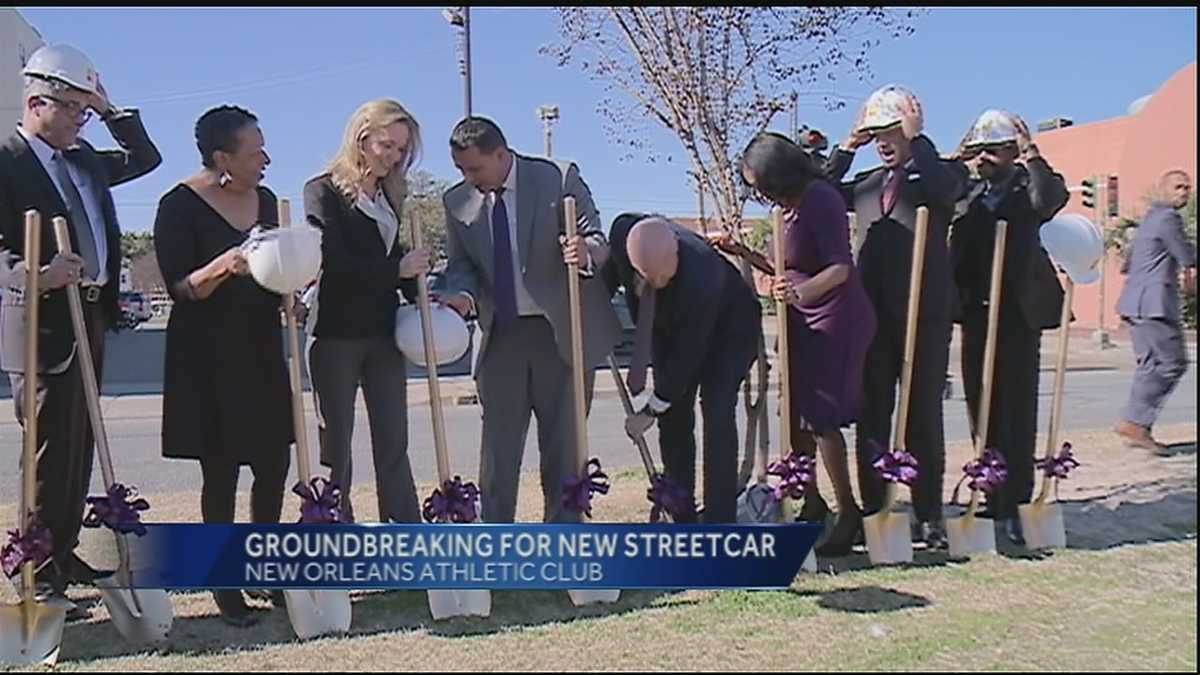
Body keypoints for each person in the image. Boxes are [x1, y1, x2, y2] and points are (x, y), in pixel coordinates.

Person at [0, 44, 161, 618]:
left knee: (80, 443)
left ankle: (63, 551)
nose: (79, 119)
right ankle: (36, 568)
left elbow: (145, 157)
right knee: (47, 450)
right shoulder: (5, 159)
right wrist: (35, 275)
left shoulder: (86, 158)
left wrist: (108, 105)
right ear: (36, 102)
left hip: (89, 313)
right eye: (71, 108)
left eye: (85, 110)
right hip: (39, 320)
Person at [438, 116, 621, 523]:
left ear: (501, 154)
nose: (469, 178)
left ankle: (563, 537)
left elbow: (597, 239)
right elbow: (461, 265)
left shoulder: (556, 177)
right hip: (502, 333)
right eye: (461, 170)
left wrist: (584, 252)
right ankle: (497, 536)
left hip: (561, 329)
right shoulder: (456, 202)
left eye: (475, 168)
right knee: (498, 446)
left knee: (563, 443)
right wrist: (463, 296)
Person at [153, 105, 292, 626]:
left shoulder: (268, 204)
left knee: (273, 464)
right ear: (222, 158)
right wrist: (225, 264)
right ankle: (225, 579)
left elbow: (275, 270)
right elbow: (181, 289)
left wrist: (289, 293)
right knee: (222, 469)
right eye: (256, 151)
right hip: (206, 355)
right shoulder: (178, 205)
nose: (267, 159)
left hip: (260, 348)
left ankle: (267, 568)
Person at [824, 85, 968, 549]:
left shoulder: (937, 177)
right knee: (872, 412)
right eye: (876, 134)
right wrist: (848, 146)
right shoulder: (866, 185)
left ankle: (928, 514)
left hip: (923, 315)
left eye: (891, 132)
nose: (883, 141)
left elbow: (950, 190)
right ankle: (875, 507)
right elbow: (821, 191)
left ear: (909, 130)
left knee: (923, 414)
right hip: (872, 317)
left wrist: (917, 140)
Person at [740, 132, 877, 554]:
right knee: (796, 418)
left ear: (780, 173)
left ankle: (849, 511)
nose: (759, 193)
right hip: (800, 322)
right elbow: (787, 268)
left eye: (760, 183)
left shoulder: (821, 199)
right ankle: (812, 502)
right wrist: (743, 252)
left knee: (820, 417)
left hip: (834, 320)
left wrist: (801, 294)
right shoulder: (788, 210)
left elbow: (839, 268)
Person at [302, 99, 430, 524]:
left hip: (383, 333)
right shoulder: (321, 191)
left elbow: (394, 268)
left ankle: (404, 531)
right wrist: (397, 268)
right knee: (336, 445)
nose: (394, 157)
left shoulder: (391, 196)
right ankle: (336, 532)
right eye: (387, 146)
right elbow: (332, 261)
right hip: (337, 332)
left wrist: (421, 288)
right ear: (362, 138)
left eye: (401, 151)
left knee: (394, 440)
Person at [948, 110, 1069, 545]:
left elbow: (1049, 200)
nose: (985, 158)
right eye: (980, 151)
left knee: (1017, 409)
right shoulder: (968, 186)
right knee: (981, 403)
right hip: (976, 309)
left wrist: (1031, 151)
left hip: (1017, 313)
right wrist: (959, 154)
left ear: (1011, 152)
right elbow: (935, 189)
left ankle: (1017, 500)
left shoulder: (1026, 184)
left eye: (993, 150)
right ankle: (989, 489)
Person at [605, 214, 761, 524]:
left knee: (716, 408)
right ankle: (681, 513)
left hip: (729, 330)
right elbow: (606, 277)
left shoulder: (702, 273)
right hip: (668, 327)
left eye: (663, 277)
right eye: (650, 277)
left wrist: (649, 411)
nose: (658, 283)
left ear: (676, 250)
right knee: (674, 420)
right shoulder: (624, 232)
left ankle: (719, 519)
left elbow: (686, 358)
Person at [1114, 169, 1196, 452]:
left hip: (1135, 302)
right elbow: (1186, 255)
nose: (1184, 192)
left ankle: (1137, 426)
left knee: (1151, 365)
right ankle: (1135, 422)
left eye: (1187, 187)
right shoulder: (1168, 218)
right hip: (1154, 304)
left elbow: (1127, 263)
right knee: (1172, 363)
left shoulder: (1148, 219)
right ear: (1163, 189)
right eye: (1178, 187)